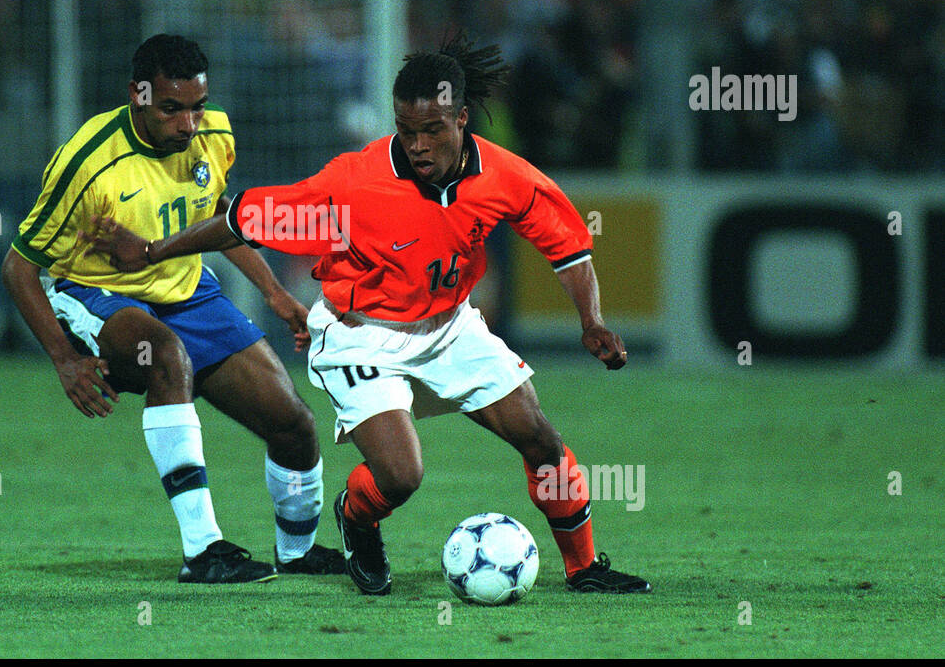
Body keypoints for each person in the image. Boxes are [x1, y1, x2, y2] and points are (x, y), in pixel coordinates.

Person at [89, 31, 651, 595]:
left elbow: (567, 246)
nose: (419, 145)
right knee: (402, 476)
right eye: (407, 131)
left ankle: (583, 569)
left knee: (542, 441)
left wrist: (591, 320)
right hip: (361, 336)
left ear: (461, 121)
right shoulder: (355, 182)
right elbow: (243, 218)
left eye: (433, 130)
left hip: (451, 327)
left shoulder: (506, 176)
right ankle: (357, 517)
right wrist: (154, 251)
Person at [1, 33, 344, 584]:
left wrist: (274, 292)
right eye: (171, 109)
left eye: (196, 106)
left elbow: (221, 219)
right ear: (137, 96)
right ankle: (203, 550)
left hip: (188, 292)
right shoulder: (86, 162)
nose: (187, 124)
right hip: (98, 292)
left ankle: (296, 550)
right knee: (166, 356)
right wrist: (64, 358)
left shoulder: (214, 135)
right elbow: (18, 267)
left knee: (294, 424)